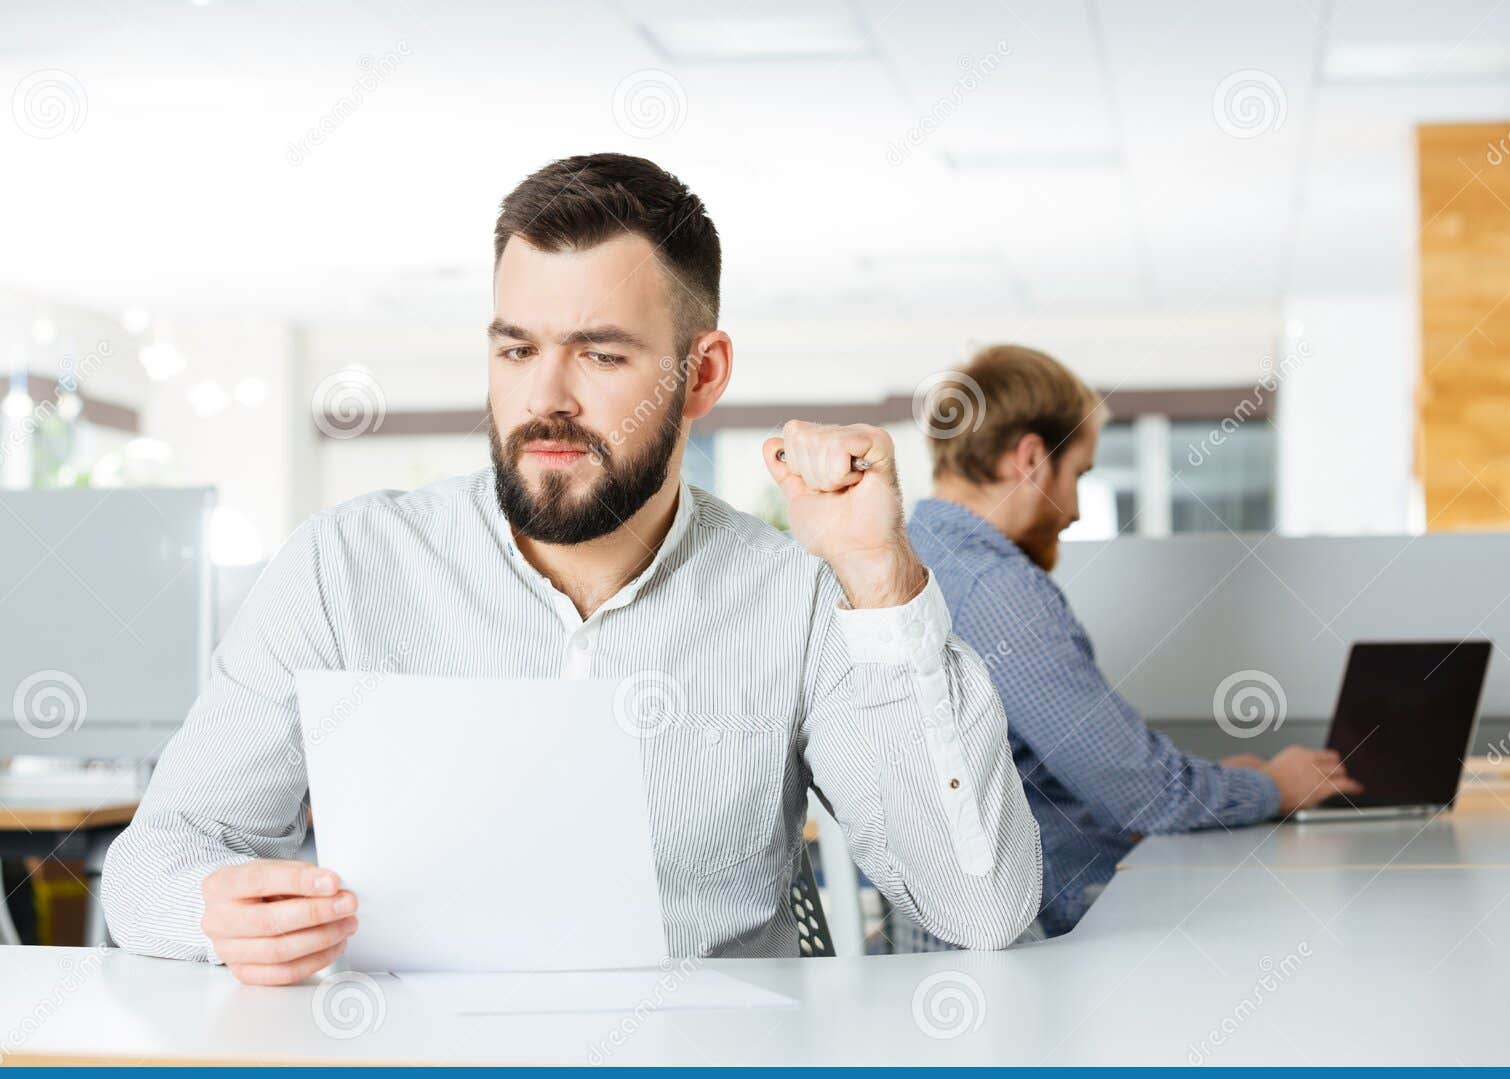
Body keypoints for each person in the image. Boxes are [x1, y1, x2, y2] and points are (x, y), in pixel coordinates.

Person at [102, 155, 1042, 984]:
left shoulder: (798, 595)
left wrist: (879, 579)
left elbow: (980, 908)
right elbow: (152, 867)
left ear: (702, 375)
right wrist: (214, 913)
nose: (544, 399)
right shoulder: (338, 568)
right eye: (517, 349)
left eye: (599, 353)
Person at [905, 344, 1359, 937]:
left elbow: (1070, 776)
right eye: (1080, 475)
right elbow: (1141, 796)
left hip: (964, 915)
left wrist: (1222, 783)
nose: (1071, 510)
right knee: (1298, 919)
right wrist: (1275, 786)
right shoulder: (996, 589)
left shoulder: (914, 557)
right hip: (1051, 917)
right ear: (1032, 460)